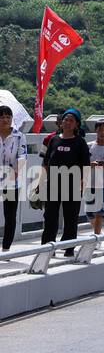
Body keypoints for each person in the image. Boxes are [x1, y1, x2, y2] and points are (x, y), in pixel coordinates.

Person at [41, 109, 90, 255]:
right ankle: (47, 247)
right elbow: (46, 162)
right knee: (50, 216)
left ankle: (69, 248)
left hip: (73, 184)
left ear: (76, 125)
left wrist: (83, 181)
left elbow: (86, 165)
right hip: (54, 183)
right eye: (65, 119)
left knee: (70, 218)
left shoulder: (80, 143)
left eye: (71, 120)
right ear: (61, 122)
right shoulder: (54, 140)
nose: (67, 122)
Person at [0, 104, 28, 251]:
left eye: (8, 117)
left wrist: (15, 172)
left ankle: (6, 248)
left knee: (10, 215)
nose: (5, 120)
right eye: (2, 117)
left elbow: (22, 155)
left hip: (12, 181)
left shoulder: (19, 136)